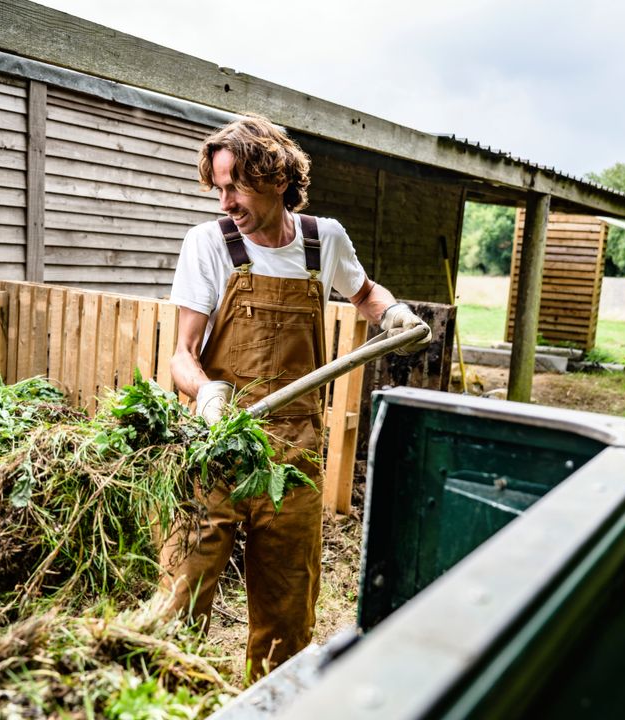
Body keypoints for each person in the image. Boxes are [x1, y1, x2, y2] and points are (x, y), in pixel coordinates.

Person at [162, 115, 427, 678]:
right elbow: (181, 355)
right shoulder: (208, 244)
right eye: (218, 187)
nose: (224, 201)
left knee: (288, 617)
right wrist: (206, 391)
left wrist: (393, 312)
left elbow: (365, 293)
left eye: (235, 185)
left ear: (277, 177)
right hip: (217, 448)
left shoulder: (322, 240)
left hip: (294, 455)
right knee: (178, 601)